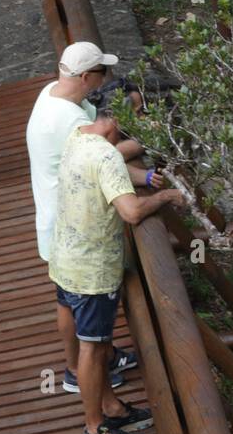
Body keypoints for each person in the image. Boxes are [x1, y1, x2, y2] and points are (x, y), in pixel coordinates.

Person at [25, 42, 164, 394]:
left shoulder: (52, 94)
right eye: (101, 73)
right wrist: (155, 137)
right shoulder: (69, 121)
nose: (104, 81)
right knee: (77, 309)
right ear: (86, 76)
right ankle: (80, 374)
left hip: (53, 221)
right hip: (73, 227)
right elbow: (106, 157)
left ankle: (89, 362)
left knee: (66, 301)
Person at [50, 116, 185, 434]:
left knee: (89, 339)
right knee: (94, 349)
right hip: (92, 273)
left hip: (65, 258)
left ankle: (110, 408)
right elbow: (132, 211)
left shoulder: (75, 137)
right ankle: (94, 432)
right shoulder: (106, 156)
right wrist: (167, 195)